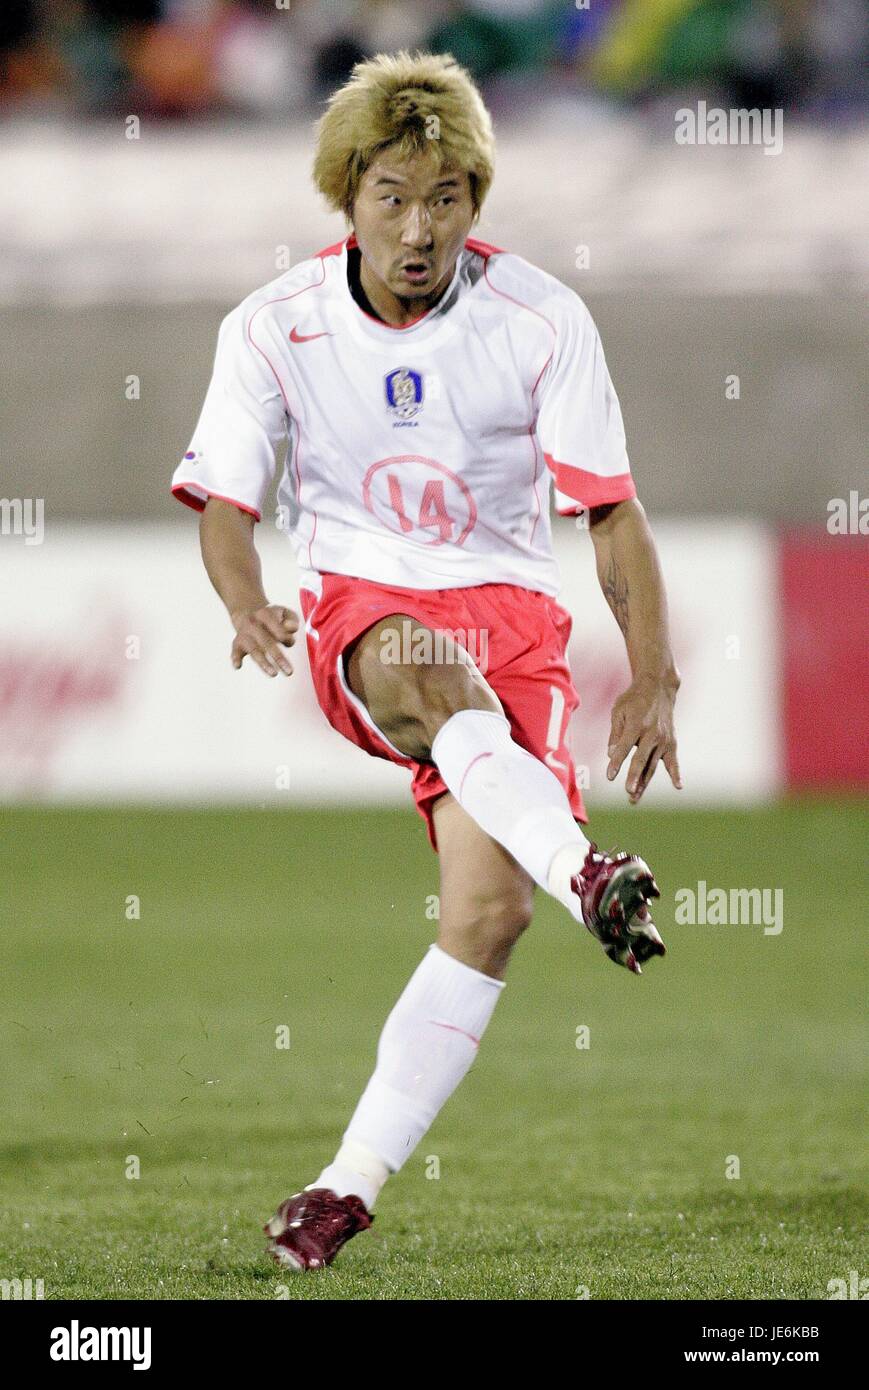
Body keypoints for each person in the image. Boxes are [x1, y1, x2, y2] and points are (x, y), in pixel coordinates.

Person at [171, 50, 681, 1273]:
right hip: (367, 609)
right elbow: (226, 504)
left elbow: (608, 510)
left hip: (513, 616)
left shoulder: (541, 318)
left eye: (444, 196)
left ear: (473, 200)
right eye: (392, 195)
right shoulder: (275, 325)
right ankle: (589, 874)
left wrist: (653, 672)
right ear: (345, 194)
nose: (418, 226)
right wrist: (246, 604)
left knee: (486, 913)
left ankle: (339, 1188)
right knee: (426, 670)